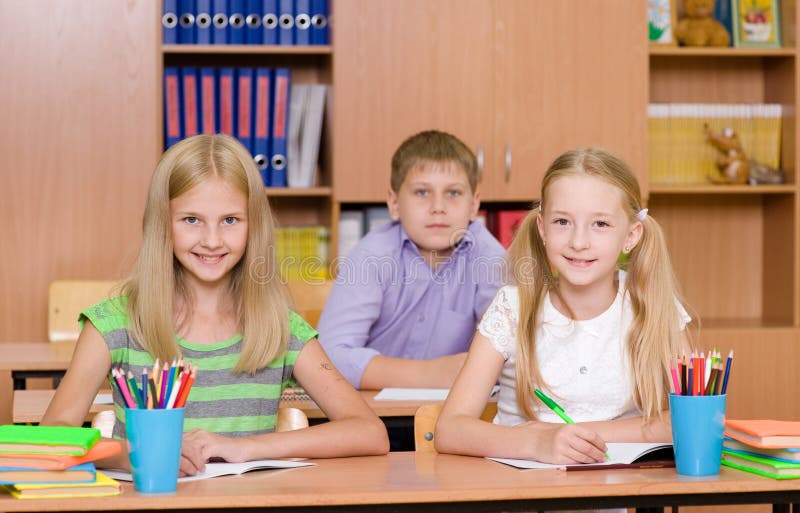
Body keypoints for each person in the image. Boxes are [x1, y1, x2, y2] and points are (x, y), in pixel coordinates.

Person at [41, 134, 389, 475]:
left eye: (230, 220)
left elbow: (369, 432)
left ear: (254, 225)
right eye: (191, 220)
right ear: (163, 224)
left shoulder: (281, 329)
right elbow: (53, 436)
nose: (211, 240)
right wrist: (134, 453)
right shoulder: (113, 324)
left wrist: (245, 447)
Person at [435, 147, 692, 464]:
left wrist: (577, 436)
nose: (579, 242)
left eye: (600, 224)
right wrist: (537, 442)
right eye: (562, 222)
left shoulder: (655, 307)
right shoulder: (512, 307)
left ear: (631, 235)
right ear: (542, 228)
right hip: (518, 495)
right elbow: (450, 429)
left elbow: (689, 422)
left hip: (613, 495)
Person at [318, 130, 506, 390]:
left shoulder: (489, 257)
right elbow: (326, 360)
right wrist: (429, 375)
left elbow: (514, 350)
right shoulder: (371, 257)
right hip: (375, 412)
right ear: (394, 203)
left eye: (453, 193)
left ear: (474, 205)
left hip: (454, 415)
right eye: (421, 192)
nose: (438, 206)